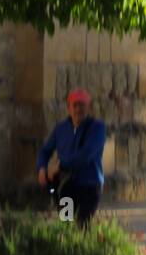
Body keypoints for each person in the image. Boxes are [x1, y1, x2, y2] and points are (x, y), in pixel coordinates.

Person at [37, 88, 106, 227]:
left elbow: (88, 153)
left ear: (89, 108)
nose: (78, 109)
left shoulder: (97, 128)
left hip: (89, 186)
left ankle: (85, 248)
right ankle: (68, 247)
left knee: (82, 224)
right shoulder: (61, 129)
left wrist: (61, 165)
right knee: (66, 223)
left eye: (82, 105)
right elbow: (45, 150)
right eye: (75, 105)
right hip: (66, 186)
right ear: (68, 108)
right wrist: (42, 168)